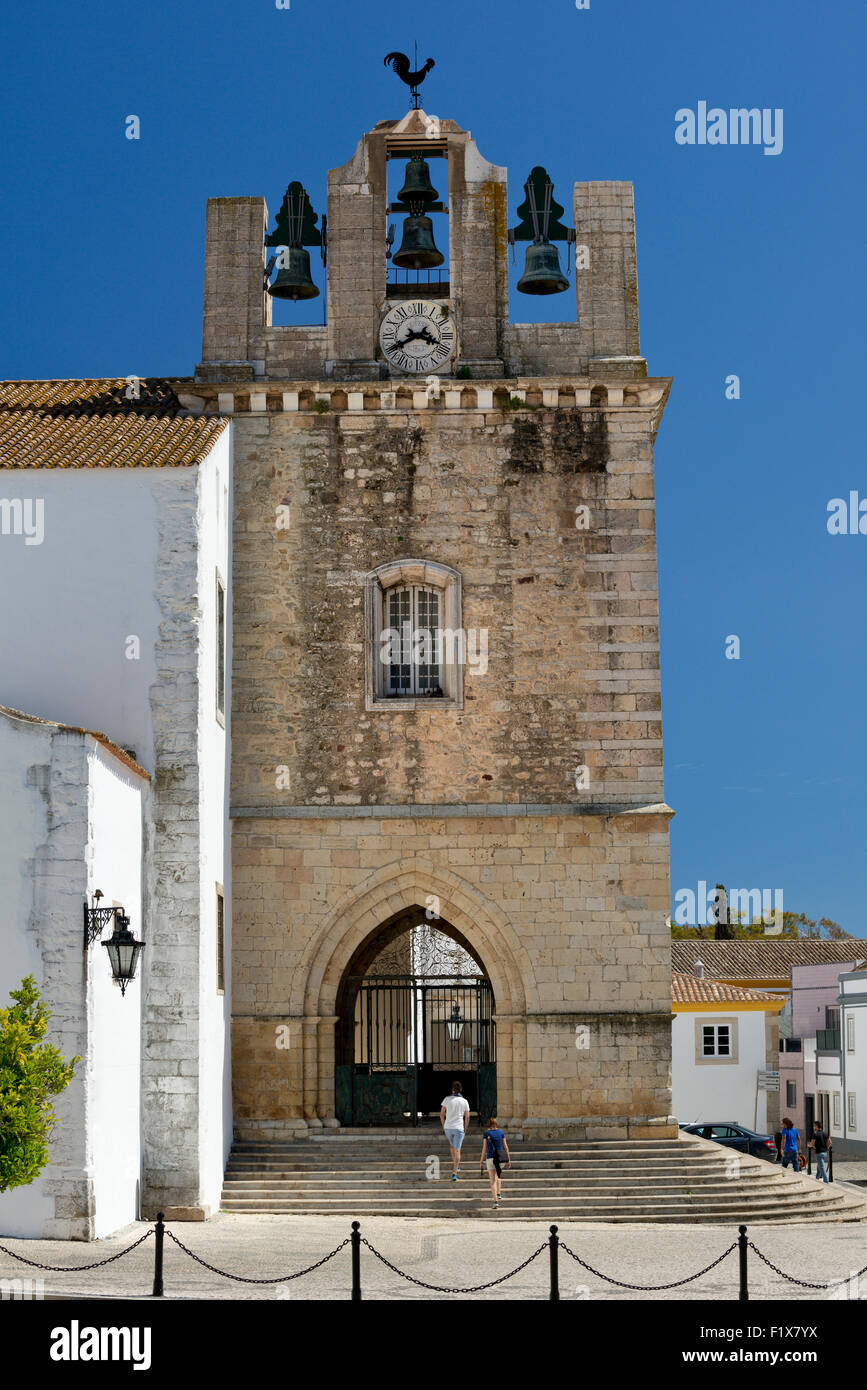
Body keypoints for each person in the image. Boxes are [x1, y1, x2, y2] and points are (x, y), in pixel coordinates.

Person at [440, 1081, 470, 1181]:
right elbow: (467, 1117)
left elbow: (441, 1114)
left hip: (448, 1127)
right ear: (460, 1090)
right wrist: (465, 1129)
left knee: (452, 1146)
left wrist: (444, 1125)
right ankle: (454, 1173)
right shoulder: (464, 1101)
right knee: (457, 1149)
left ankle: (455, 1165)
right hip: (458, 1128)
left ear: (452, 1090)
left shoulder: (447, 1099)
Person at [479, 1115, 510, 1209]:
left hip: (490, 1158)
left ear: (488, 1124)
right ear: (496, 1124)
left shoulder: (486, 1133)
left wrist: (481, 1161)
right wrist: (508, 1159)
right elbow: (506, 1146)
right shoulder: (501, 1132)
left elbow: (484, 1148)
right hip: (500, 1158)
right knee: (498, 1175)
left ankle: (495, 1201)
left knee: (492, 1180)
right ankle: (499, 1193)